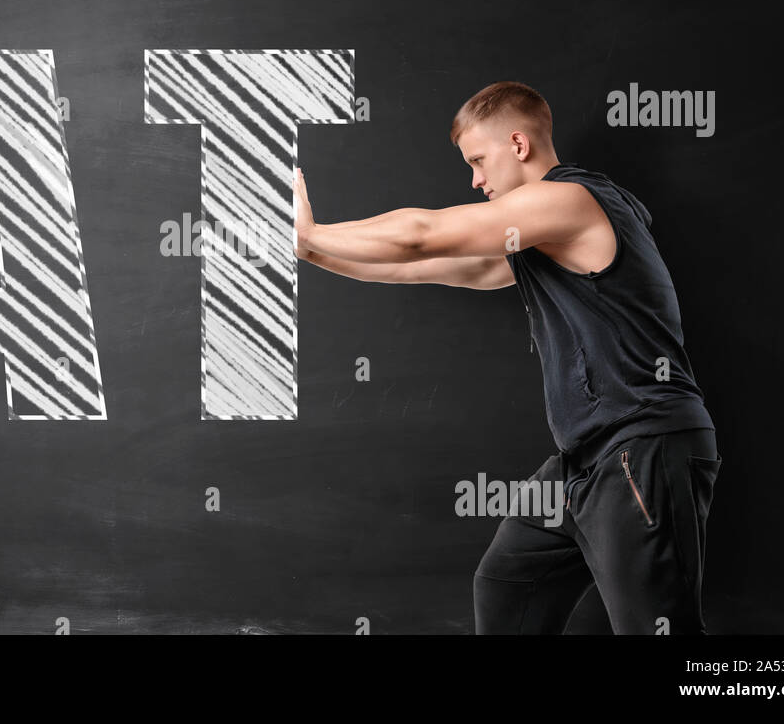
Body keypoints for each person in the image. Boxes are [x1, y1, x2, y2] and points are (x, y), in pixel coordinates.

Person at [293, 80, 722, 635]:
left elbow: (423, 235)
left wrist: (313, 229)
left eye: (478, 160)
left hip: (641, 446)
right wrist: (310, 248)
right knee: (508, 585)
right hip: (585, 459)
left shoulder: (570, 201)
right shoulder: (535, 239)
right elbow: (414, 264)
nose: (474, 179)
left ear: (518, 144)